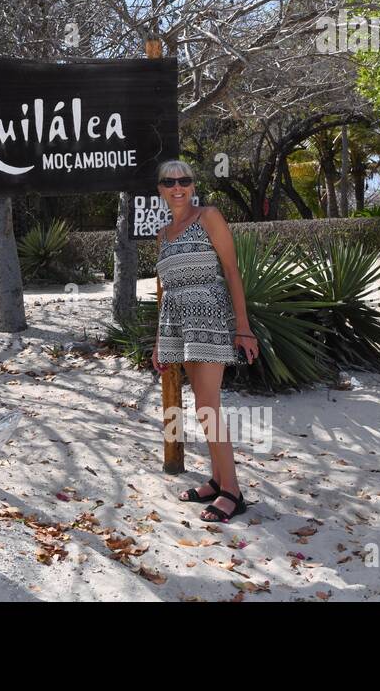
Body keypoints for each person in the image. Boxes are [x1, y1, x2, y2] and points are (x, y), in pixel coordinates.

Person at [150, 159, 259, 523]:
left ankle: (233, 492)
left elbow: (231, 270)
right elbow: (164, 289)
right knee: (202, 406)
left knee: (209, 405)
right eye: (170, 182)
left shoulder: (208, 216)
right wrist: (158, 342)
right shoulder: (163, 235)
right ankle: (217, 479)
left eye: (184, 180)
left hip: (210, 318)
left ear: (193, 186)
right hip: (179, 324)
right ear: (161, 190)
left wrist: (242, 327)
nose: (177, 186)